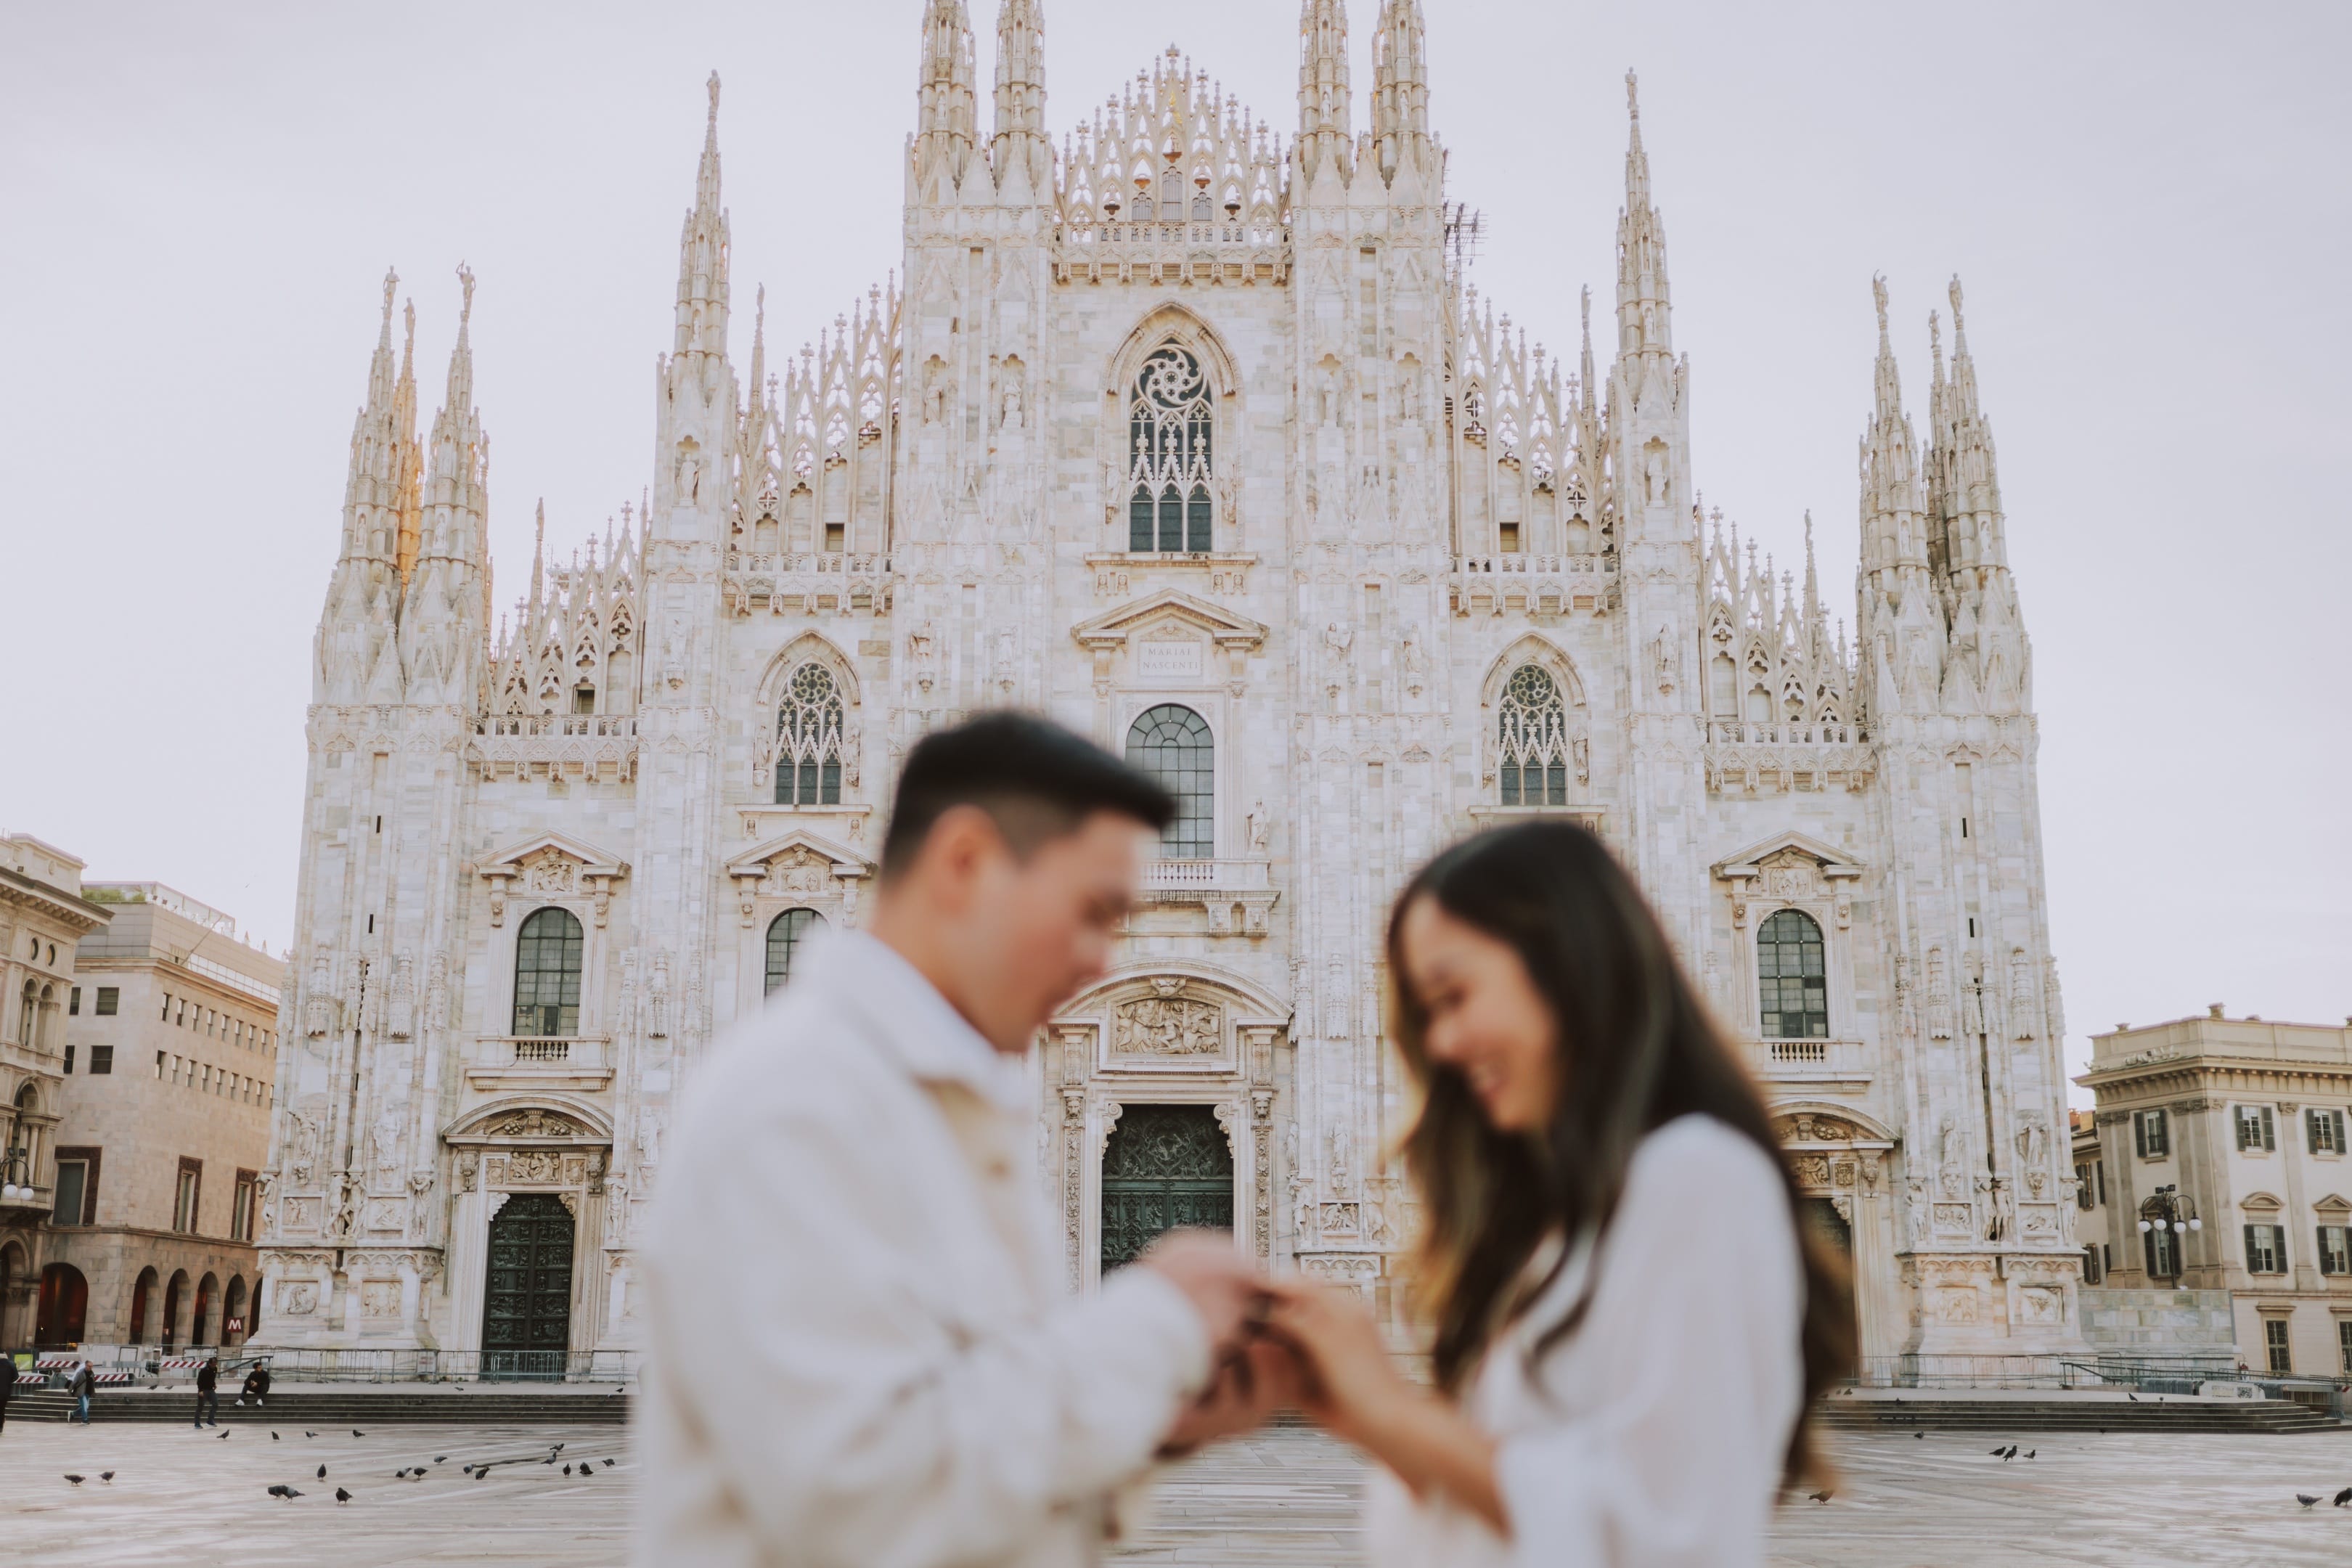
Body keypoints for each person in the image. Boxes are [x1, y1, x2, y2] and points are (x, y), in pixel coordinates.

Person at [637, 713, 1283, 1568]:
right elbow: (865, 1505)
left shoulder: (939, 1105)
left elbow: (963, 1439)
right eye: (1095, 911)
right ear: (966, 863)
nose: (1106, 962)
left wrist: (1153, 1414)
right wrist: (1157, 1323)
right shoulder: (798, 1102)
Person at [1267, 821, 1853, 1567]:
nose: (1440, 1045)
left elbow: (1669, 1535)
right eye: (1426, 1012)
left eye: (1455, 995)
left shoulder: (1698, 1178)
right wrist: (1356, 1410)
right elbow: (1479, 1530)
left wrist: (1390, 1406)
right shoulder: (1558, 1228)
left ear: (1568, 965)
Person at [192, 1353, 219, 1428]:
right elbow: (199, 1381)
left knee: (215, 1404)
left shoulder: (215, 1369)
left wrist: (214, 1384)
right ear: (209, 1364)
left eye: (215, 1364)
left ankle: (210, 1421)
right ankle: (197, 1423)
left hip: (211, 1390)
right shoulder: (204, 1370)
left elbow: (212, 1378)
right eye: (213, 1364)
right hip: (203, 1390)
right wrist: (200, 1390)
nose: (214, 1366)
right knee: (200, 1407)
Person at [69, 1359, 94, 1425]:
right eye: (89, 1366)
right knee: (85, 1406)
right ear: (85, 1365)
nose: (90, 1367)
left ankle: (73, 1414)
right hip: (81, 1392)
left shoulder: (92, 1373)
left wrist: (93, 1392)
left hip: (88, 1393)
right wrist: (69, 1391)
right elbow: (74, 1382)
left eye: (91, 1366)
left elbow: (92, 1383)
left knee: (85, 1407)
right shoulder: (80, 1373)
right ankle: (85, 1420)